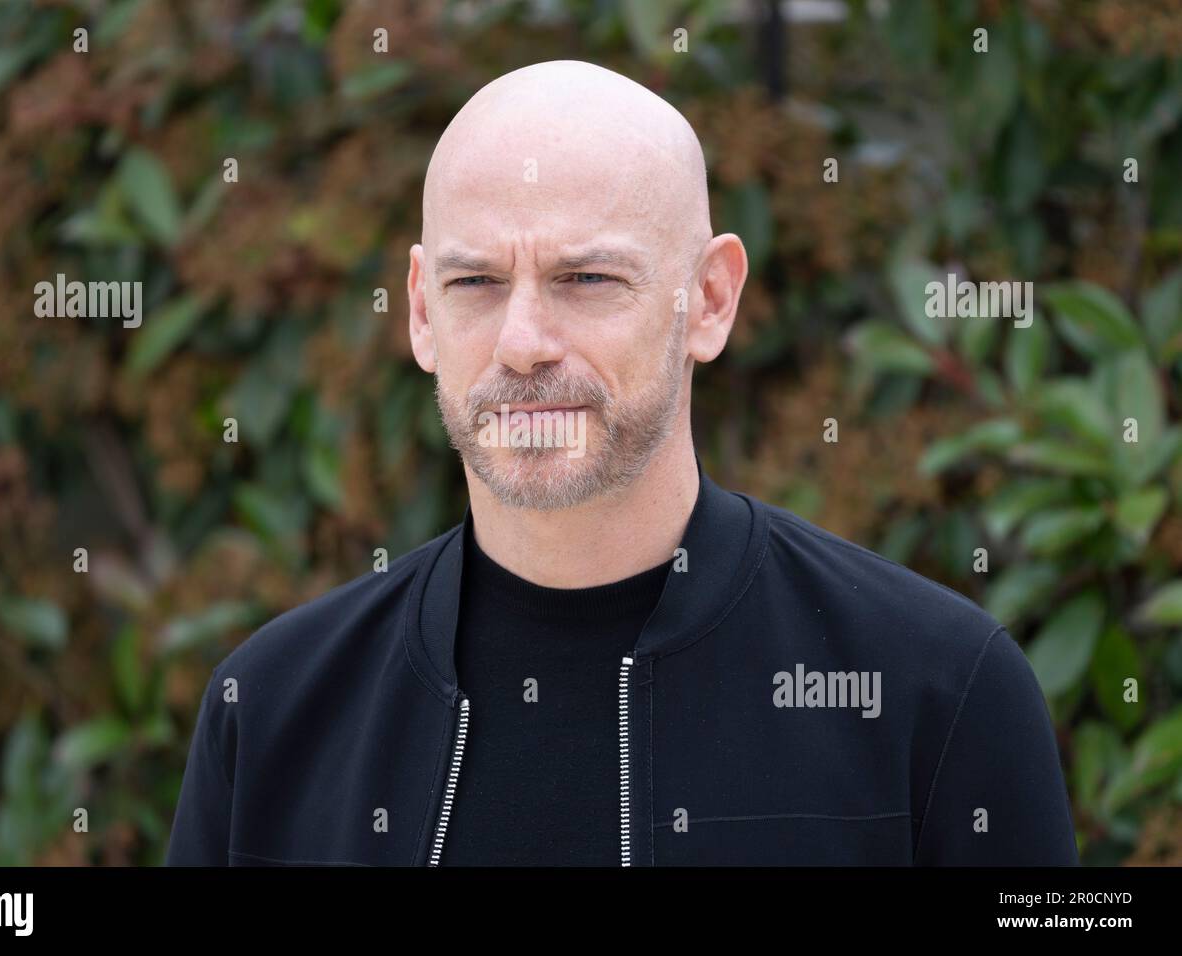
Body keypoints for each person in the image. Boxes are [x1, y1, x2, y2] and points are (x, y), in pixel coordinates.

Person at [166, 59, 1079, 866]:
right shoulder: (276, 710)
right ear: (419, 312)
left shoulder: (936, 691)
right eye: (475, 283)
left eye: (588, 279)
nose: (523, 343)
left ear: (711, 300)